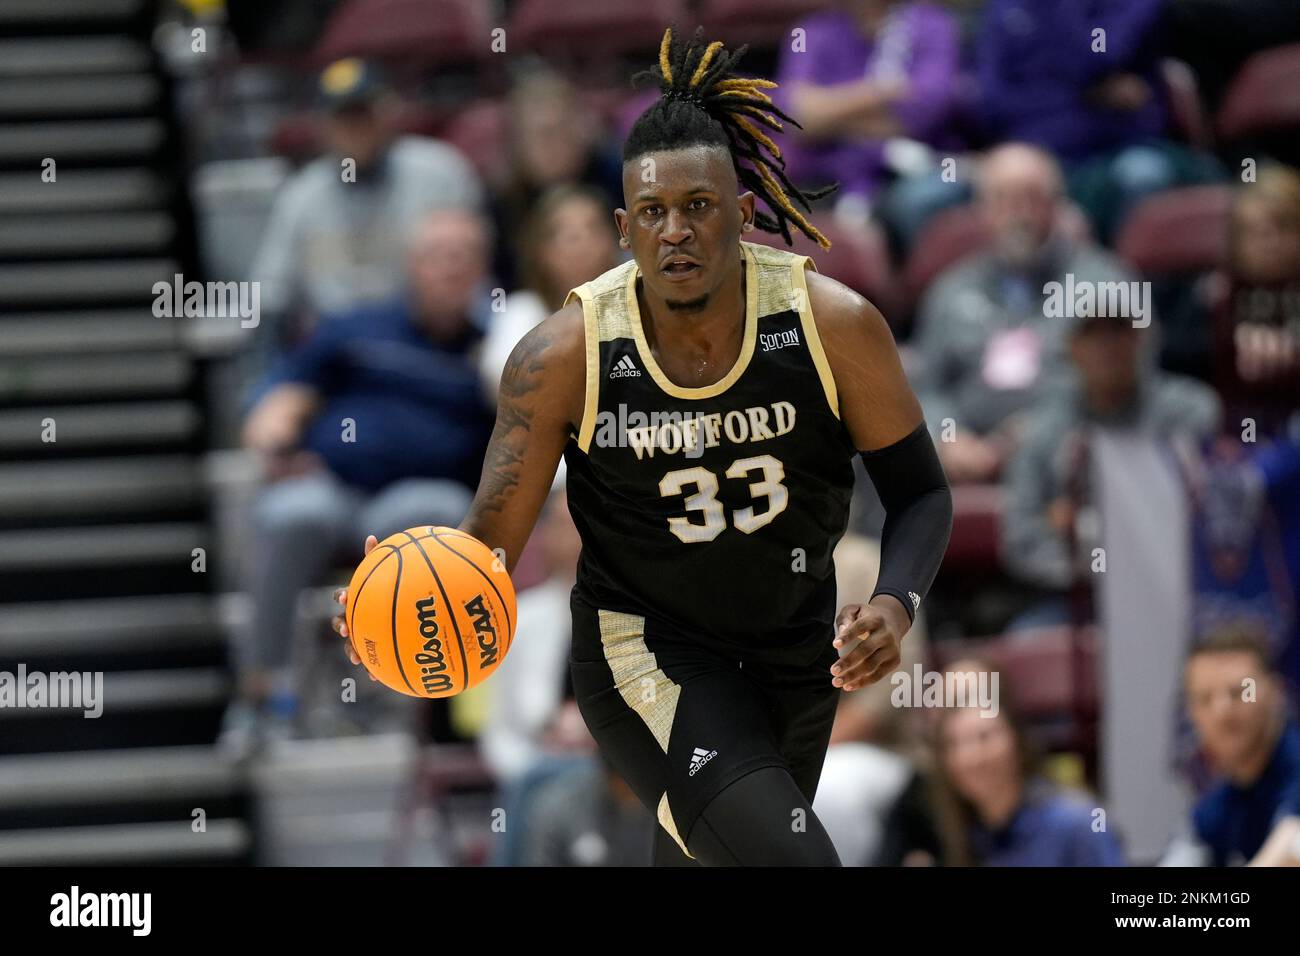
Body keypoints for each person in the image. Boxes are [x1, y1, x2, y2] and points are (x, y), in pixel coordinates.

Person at [335, 27, 953, 866]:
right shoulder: (563, 356)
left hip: (795, 653)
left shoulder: (832, 324)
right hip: (646, 659)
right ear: (624, 228)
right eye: (653, 214)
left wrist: (893, 602)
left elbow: (920, 492)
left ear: (740, 212)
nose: (676, 233)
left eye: (699, 207)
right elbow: (486, 549)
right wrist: (391, 601)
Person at [228, 209, 496, 744]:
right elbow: (285, 396)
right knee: (291, 514)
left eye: (462, 256)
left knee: (437, 512)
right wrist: (274, 435)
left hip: (414, 497)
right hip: (332, 486)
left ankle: (406, 695)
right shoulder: (356, 328)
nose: (449, 267)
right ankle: (261, 698)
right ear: (411, 265)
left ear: (481, 270)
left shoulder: (489, 353)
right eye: (436, 255)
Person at [911, 143, 1144, 483]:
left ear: (1057, 206)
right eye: (1003, 199)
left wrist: (1035, 431)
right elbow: (926, 386)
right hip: (961, 456)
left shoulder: (1106, 283)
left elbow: (1124, 387)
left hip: (1066, 453)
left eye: (1031, 198)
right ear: (981, 210)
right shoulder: (949, 289)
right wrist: (947, 438)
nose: (1018, 213)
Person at [250, 58, 484, 374]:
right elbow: (271, 298)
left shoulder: (440, 174)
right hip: (335, 356)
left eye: (363, 113)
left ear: (388, 113)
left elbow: (479, 274)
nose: (355, 129)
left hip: (429, 347)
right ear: (322, 126)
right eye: (343, 118)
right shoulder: (301, 196)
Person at [1000, 311, 1221, 605]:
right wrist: (1087, 573)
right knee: (1028, 640)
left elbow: (1212, 511)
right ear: (1071, 347)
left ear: (1139, 339)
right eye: (1092, 335)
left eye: (1117, 331)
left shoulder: (1188, 412)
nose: (1107, 346)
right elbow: (1021, 537)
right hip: (1073, 599)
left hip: (1176, 591)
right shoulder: (1042, 428)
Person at [933, 661, 1127, 866]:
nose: (970, 757)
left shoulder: (1078, 822)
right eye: (954, 744)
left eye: (984, 737)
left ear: (1016, 738)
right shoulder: (963, 836)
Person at [480, 184, 624, 398]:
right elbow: (500, 384)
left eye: (593, 229)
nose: (581, 244)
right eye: (564, 233)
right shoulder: (521, 310)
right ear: (541, 251)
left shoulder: (639, 305)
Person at [1175, 634, 1300, 866]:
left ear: (1275, 692)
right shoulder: (1216, 809)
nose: (1222, 710)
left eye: (1240, 692)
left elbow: (1293, 845)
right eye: (1204, 698)